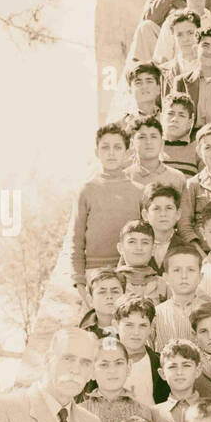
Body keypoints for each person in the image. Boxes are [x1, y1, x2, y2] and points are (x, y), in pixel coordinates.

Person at [71, 126, 144, 309]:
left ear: (127, 152)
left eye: (117, 147)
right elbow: (77, 240)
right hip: (94, 274)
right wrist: (80, 282)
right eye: (105, 147)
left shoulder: (139, 192)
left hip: (130, 273)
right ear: (97, 152)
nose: (111, 153)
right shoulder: (87, 190)